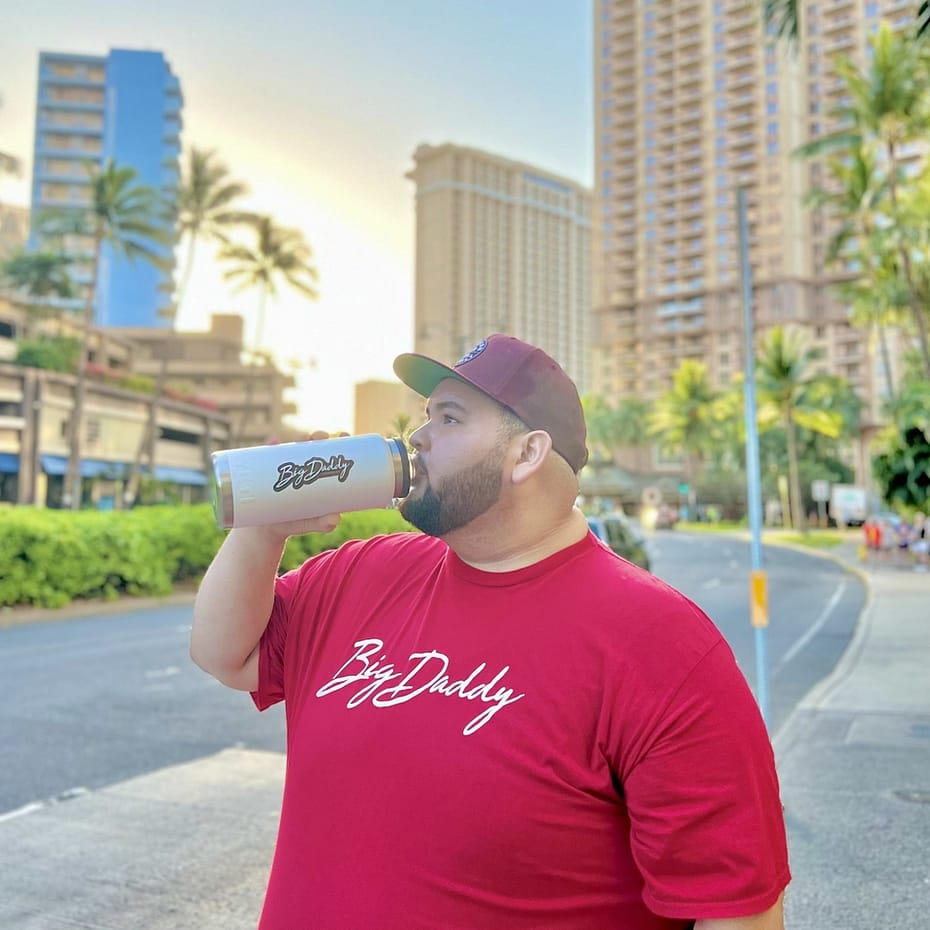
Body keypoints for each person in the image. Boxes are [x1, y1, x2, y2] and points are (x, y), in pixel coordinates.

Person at [191, 334, 790, 930]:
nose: (418, 437)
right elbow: (226, 655)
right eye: (427, 416)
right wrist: (261, 531)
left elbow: (736, 911)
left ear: (527, 454)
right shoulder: (360, 572)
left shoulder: (663, 644)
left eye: (450, 418)